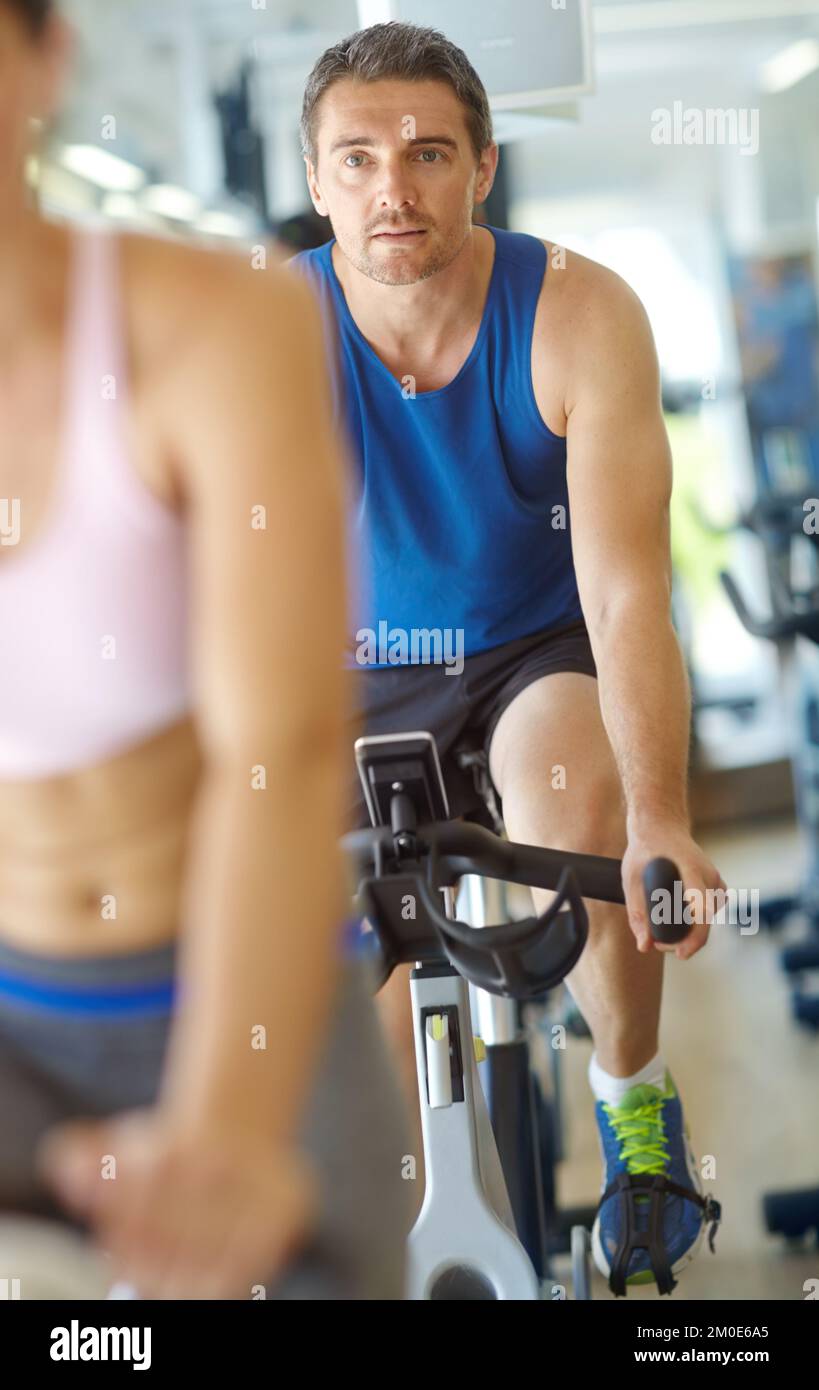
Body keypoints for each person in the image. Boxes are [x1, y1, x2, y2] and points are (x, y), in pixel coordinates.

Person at [291, 20, 727, 1293]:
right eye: (358, 159)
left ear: (482, 167)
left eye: (428, 153)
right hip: (349, 679)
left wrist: (662, 820)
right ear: (319, 182)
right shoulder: (267, 331)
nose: (393, 188)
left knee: (574, 800)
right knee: (368, 1102)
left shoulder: (577, 311)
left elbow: (629, 588)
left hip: (537, 651)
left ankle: (633, 1093)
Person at [0, 0, 411, 1300]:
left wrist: (225, 1134)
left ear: (44, 56)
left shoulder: (210, 324)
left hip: (241, 983)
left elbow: (280, 753)